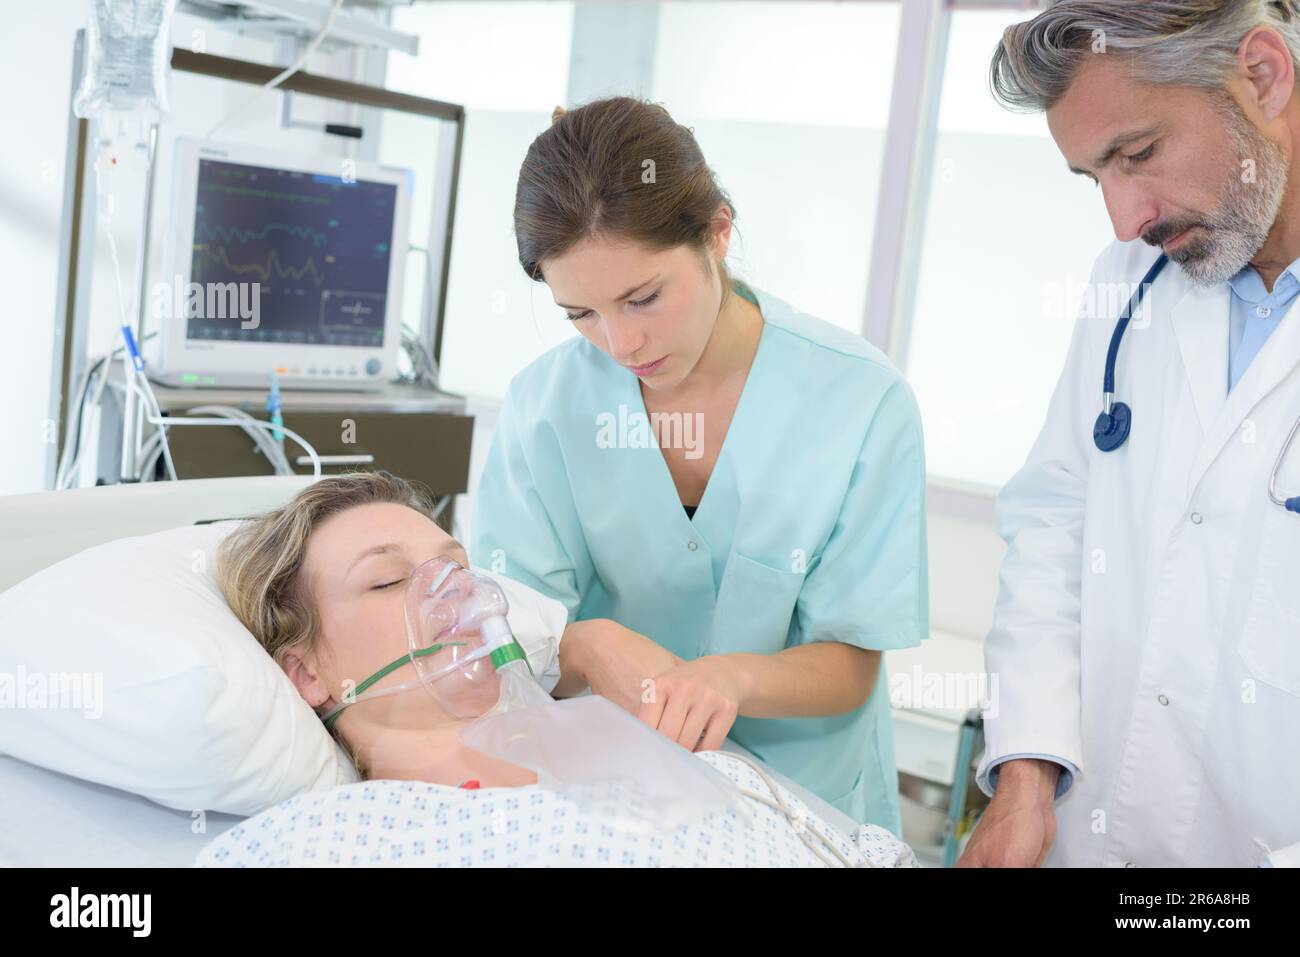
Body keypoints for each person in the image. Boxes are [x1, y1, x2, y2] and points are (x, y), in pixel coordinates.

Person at [472, 96, 929, 833]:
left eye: (642, 297)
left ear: (718, 233)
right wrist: (584, 641)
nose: (620, 343)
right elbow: (506, 631)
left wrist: (732, 678)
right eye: (580, 314)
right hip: (617, 799)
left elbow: (851, 661)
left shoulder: (859, 399)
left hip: (806, 808)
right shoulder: (545, 407)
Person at [961, 0, 1300, 867]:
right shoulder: (1130, 284)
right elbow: (1054, 524)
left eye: (1139, 153)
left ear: (1263, 76)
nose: (1124, 218)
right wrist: (1027, 776)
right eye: (1093, 176)